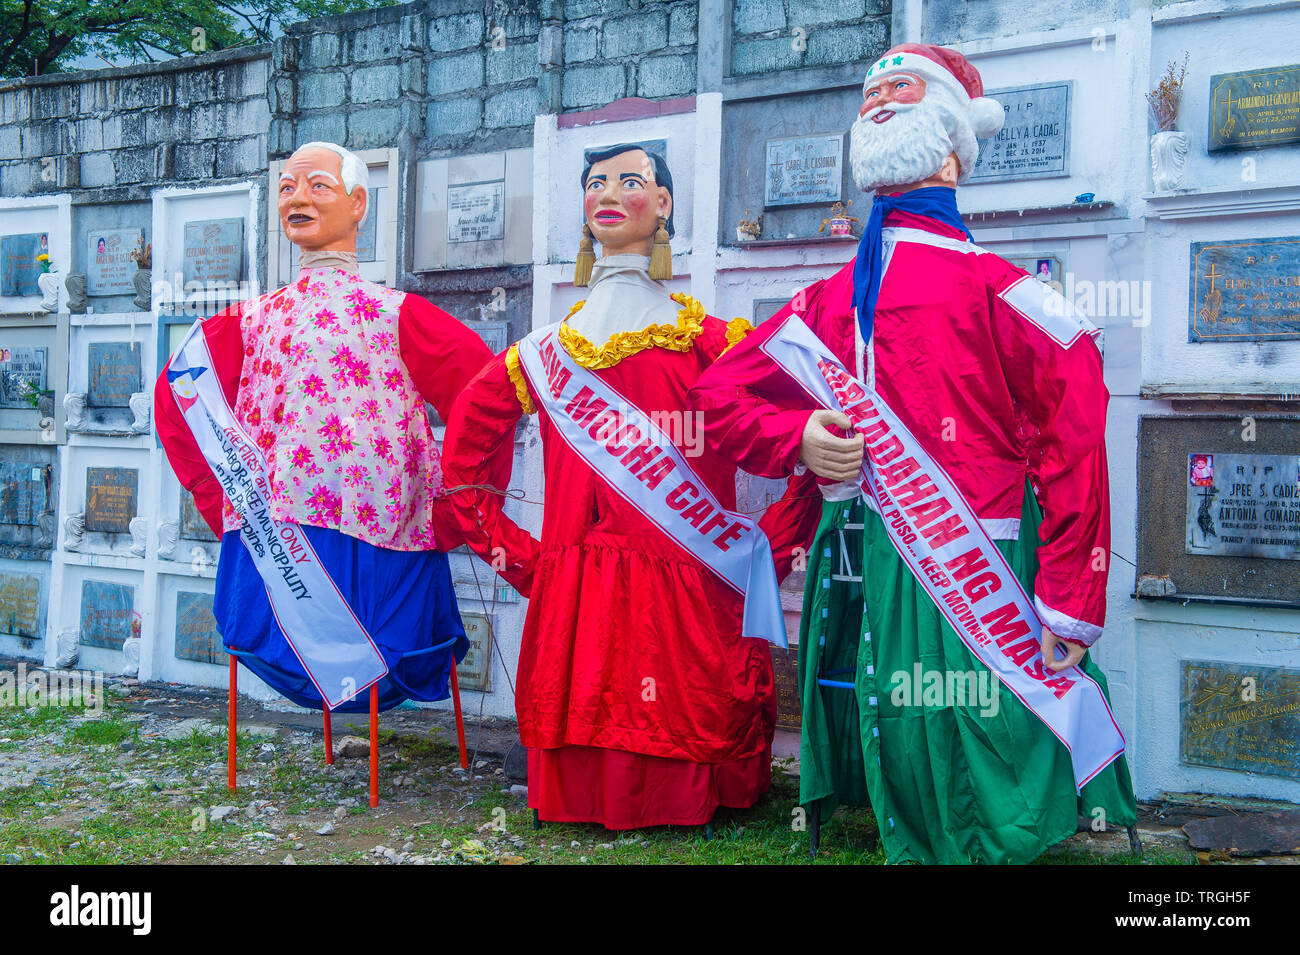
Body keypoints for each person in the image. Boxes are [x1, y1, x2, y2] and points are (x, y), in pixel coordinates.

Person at [689, 44, 1136, 864]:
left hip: (974, 561)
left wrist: (1069, 599)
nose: (881, 101)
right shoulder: (826, 301)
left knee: (971, 743)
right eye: (873, 93)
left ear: (955, 136)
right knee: (911, 725)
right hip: (863, 556)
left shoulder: (1004, 293)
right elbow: (719, 398)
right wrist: (801, 440)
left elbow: (1076, 438)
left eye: (902, 89)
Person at [442, 143, 817, 829]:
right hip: (582, 570)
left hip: (690, 558)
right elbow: (462, 459)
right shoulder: (544, 355)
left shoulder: (713, 340)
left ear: (664, 204)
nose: (607, 191)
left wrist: (769, 543)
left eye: (629, 180)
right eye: (595, 182)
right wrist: (524, 557)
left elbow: (799, 429)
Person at [155, 141, 507, 714]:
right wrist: (214, 491)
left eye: (318, 186)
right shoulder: (249, 321)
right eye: (288, 188)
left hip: (381, 531)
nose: (298, 199)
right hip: (278, 532)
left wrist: (458, 503)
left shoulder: (398, 314)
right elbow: (178, 393)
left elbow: (486, 395)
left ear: (358, 203)